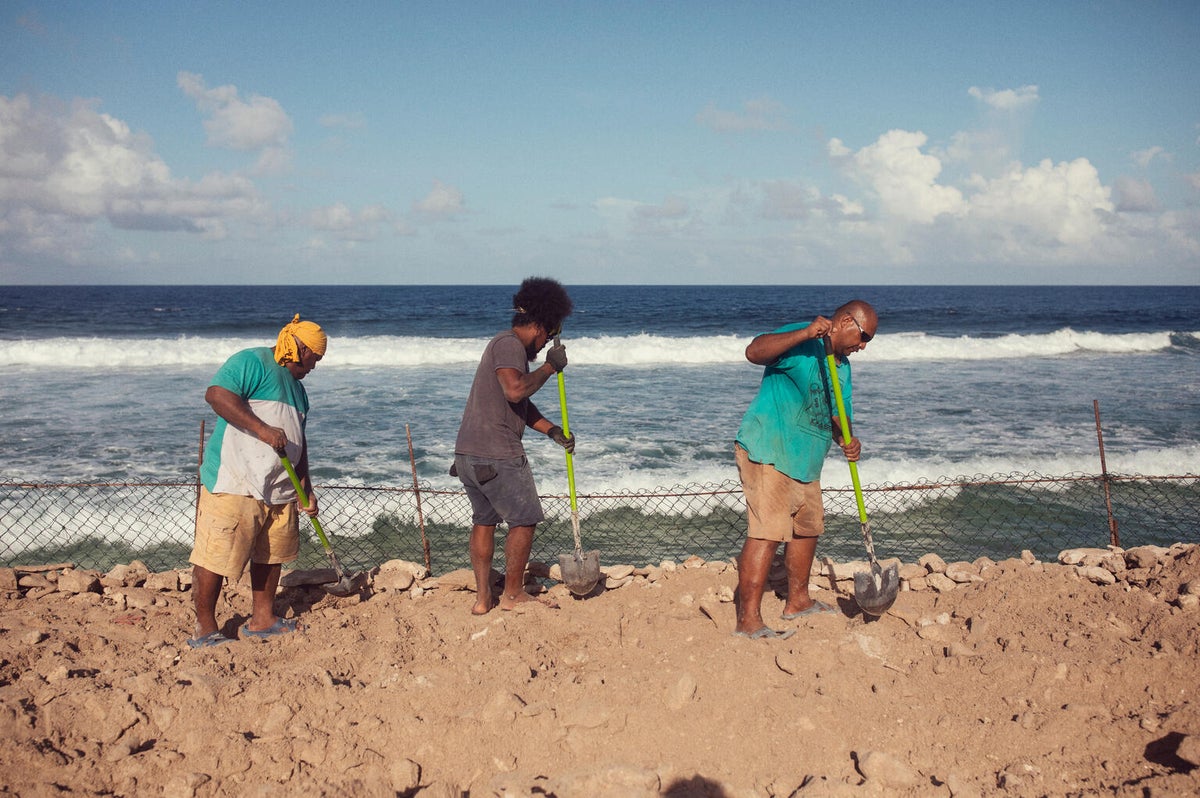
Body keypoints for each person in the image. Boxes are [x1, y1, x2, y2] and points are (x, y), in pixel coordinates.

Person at [732, 300, 878, 639]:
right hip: (770, 449)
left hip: (807, 462)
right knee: (767, 533)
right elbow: (754, 351)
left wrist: (848, 439)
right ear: (845, 321)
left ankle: (797, 601)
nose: (864, 346)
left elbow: (840, 416)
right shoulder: (803, 341)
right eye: (864, 336)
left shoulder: (842, 368)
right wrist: (805, 332)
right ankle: (748, 621)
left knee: (806, 531)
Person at [187, 314, 328, 648]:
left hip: (279, 488)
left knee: (271, 554)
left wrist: (304, 488)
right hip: (236, 481)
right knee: (215, 557)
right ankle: (205, 629)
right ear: (299, 349)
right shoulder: (250, 361)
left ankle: (262, 619)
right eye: (313, 359)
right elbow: (217, 396)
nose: (314, 367)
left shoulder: (300, 391)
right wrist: (263, 430)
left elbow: (299, 441)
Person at [454, 277, 575, 615]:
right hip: (497, 453)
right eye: (547, 335)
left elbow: (517, 405)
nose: (545, 342)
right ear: (539, 325)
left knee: (485, 520)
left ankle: (482, 600)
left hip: (468, 453)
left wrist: (552, 431)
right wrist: (550, 366)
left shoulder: (504, 347)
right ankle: (512, 594)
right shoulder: (510, 346)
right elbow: (516, 391)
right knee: (524, 519)